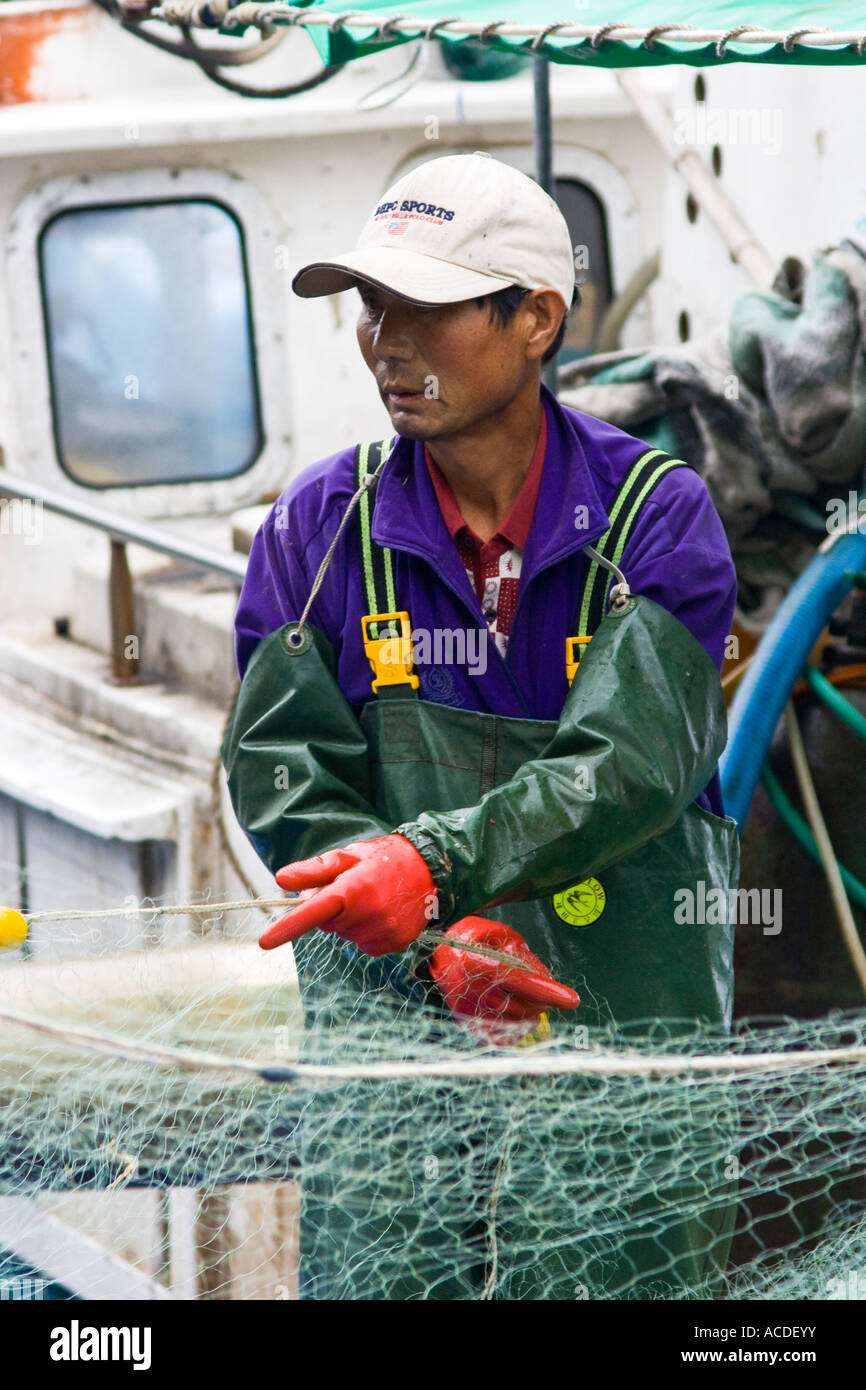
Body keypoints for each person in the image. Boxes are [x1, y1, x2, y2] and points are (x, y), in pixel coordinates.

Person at [222, 152, 740, 1299]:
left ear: (535, 318)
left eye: (426, 306)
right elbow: (281, 775)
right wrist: (431, 940)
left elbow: (626, 766)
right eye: (372, 305)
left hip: (619, 1048)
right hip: (392, 1051)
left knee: (622, 1272)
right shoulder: (316, 530)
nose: (385, 339)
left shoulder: (656, 520)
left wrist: (435, 863)